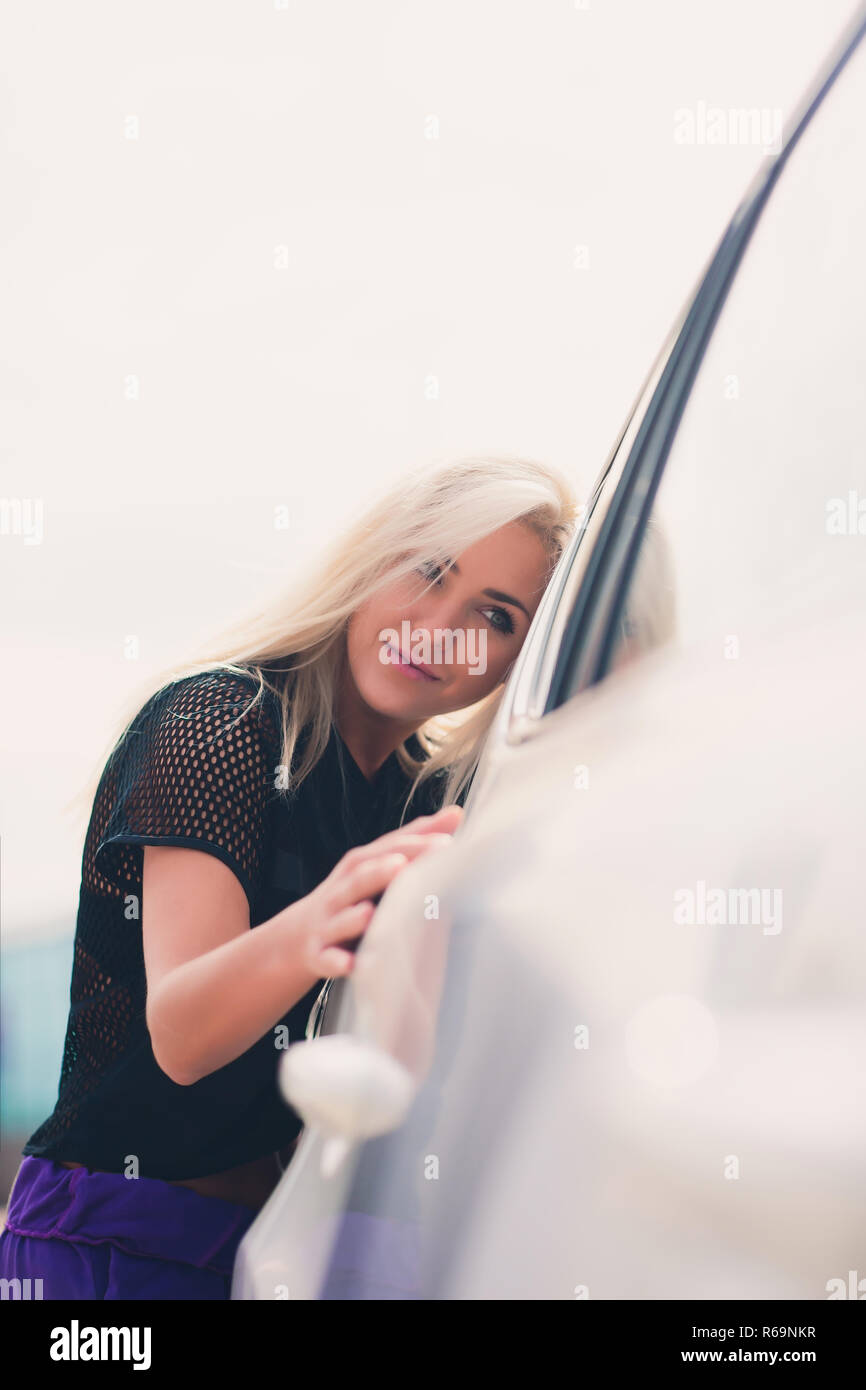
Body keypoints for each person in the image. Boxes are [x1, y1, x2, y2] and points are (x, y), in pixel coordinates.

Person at [0, 453, 578, 1299]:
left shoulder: (429, 800)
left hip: (278, 1251)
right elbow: (185, 1036)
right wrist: (321, 920)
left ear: (515, 662)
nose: (441, 628)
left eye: (494, 614)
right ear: (373, 558)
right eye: (430, 572)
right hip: (117, 1243)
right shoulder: (219, 724)